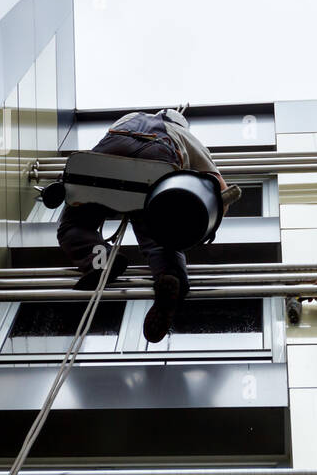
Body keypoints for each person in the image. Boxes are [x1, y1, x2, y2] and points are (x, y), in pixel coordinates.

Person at [57, 107, 240, 343]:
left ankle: (101, 260)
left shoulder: (130, 118)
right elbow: (217, 183)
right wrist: (209, 225)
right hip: (156, 163)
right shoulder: (181, 132)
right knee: (161, 237)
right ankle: (169, 276)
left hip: (107, 157)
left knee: (74, 226)